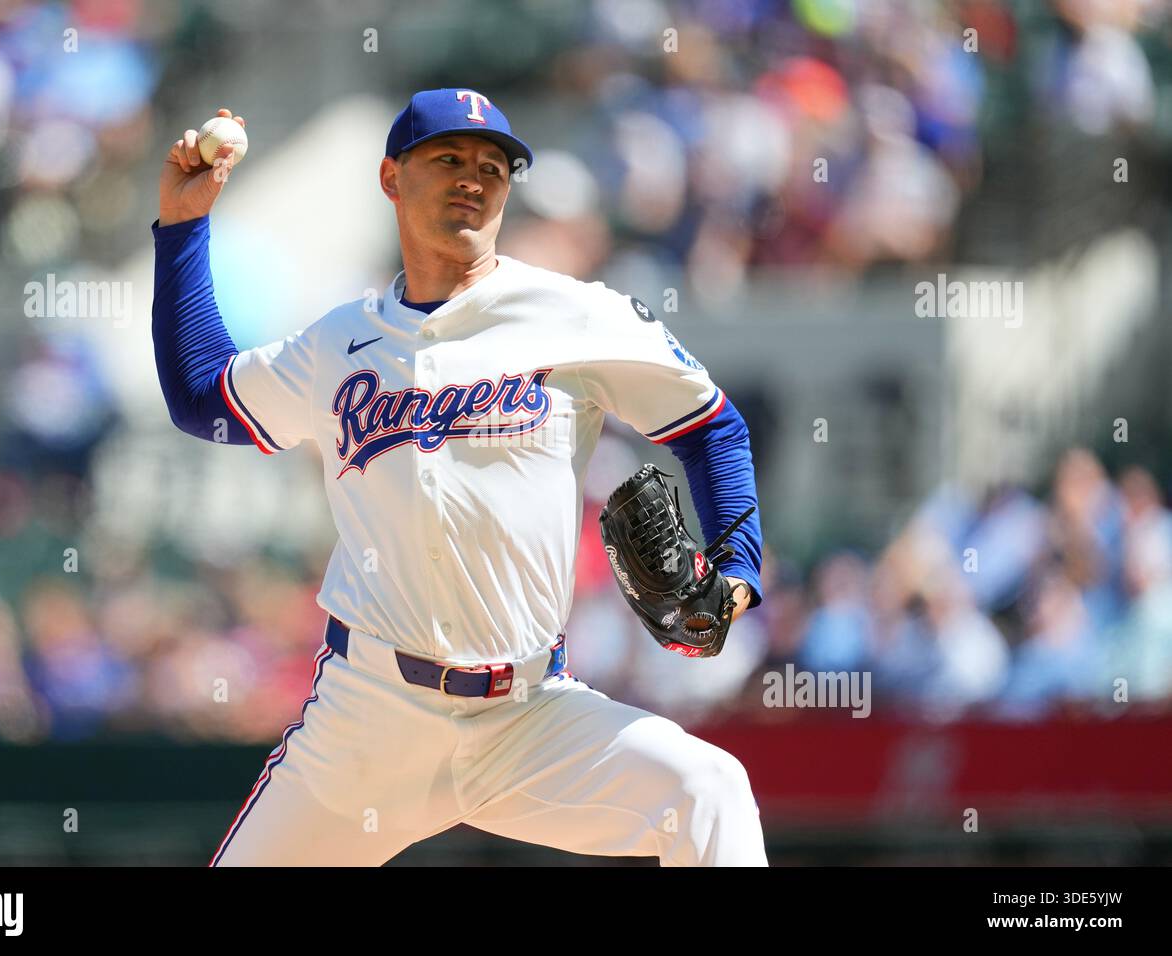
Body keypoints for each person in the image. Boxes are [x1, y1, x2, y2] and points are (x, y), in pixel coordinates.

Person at [152, 89, 767, 865]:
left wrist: (736, 571)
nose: (474, 178)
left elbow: (713, 427)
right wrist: (183, 226)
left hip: (529, 716)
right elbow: (202, 395)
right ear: (390, 178)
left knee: (708, 790)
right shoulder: (337, 342)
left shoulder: (575, 315)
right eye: (447, 159)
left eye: (494, 167)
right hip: (370, 722)